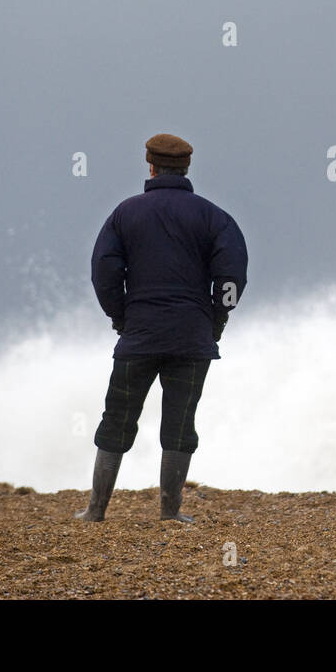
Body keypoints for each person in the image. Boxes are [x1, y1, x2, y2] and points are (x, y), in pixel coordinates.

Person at [77, 133, 248, 523]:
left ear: (150, 166)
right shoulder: (213, 217)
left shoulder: (125, 214)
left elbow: (104, 272)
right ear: (186, 168)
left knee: (117, 417)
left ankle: (95, 511)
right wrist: (215, 322)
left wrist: (120, 316)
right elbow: (231, 279)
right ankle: (170, 513)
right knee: (180, 421)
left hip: (138, 337)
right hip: (191, 339)